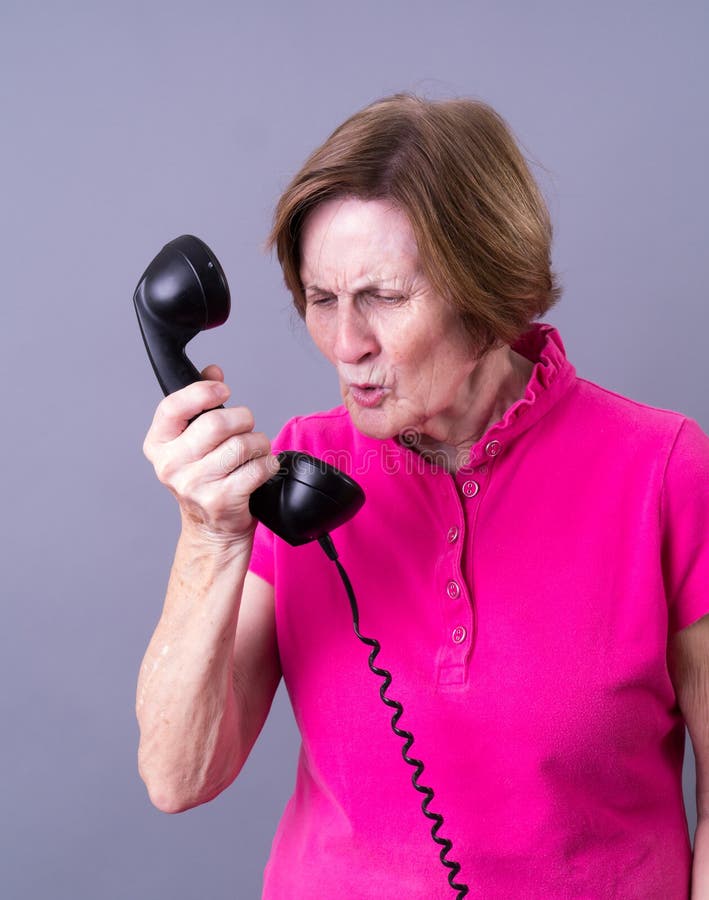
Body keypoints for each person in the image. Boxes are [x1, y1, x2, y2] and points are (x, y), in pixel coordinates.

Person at [136, 94, 709, 899]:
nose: (346, 345)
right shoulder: (298, 470)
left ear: (490, 292)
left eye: (384, 297)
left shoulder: (662, 468)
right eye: (321, 298)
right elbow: (178, 775)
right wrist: (211, 534)